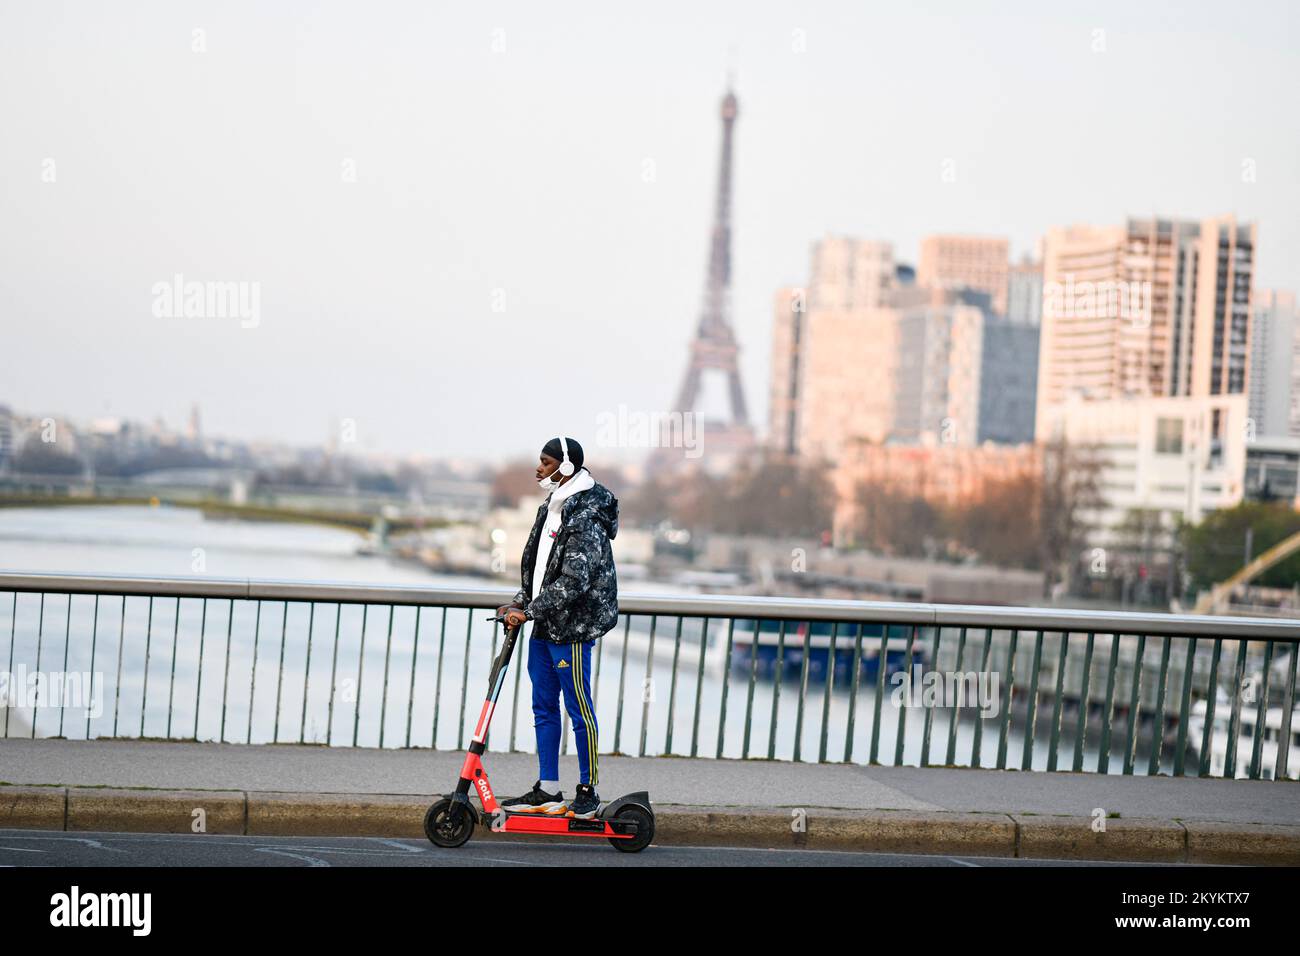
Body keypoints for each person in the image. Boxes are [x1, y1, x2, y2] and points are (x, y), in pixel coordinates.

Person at [496, 436, 619, 819]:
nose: (538, 468)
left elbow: (575, 580)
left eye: (545, 462)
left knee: (579, 708)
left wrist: (530, 610)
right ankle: (548, 789)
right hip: (545, 622)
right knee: (543, 706)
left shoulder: (586, 513)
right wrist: (521, 601)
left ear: (566, 467)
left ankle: (589, 791)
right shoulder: (552, 506)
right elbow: (538, 566)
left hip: (574, 627)